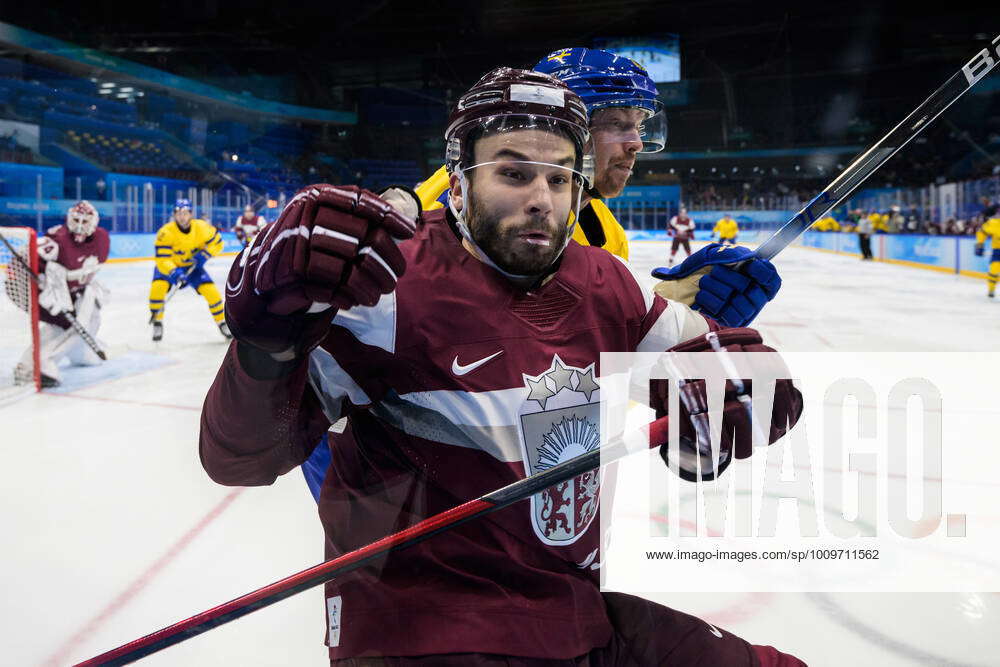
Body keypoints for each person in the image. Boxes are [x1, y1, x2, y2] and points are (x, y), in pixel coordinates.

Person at [203, 68, 805, 666]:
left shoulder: (604, 275)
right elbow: (241, 455)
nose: (541, 198)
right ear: (458, 187)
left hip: (571, 611)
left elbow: (709, 409)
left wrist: (737, 390)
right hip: (426, 627)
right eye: (514, 174)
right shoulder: (388, 287)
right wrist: (271, 340)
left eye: (559, 177)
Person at [14, 200, 109, 388]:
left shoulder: (102, 239)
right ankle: (32, 366)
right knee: (66, 322)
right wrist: (41, 281)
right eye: (76, 220)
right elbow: (20, 261)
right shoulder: (58, 240)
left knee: (90, 314)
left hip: (72, 291)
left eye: (85, 221)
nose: (80, 227)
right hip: (37, 290)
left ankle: (82, 354)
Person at [148, 199, 230, 341]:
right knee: (157, 289)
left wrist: (204, 255)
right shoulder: (165, 232)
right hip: (170, 268)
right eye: (178, 213)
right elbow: (162, 260)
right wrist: (175, 273)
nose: (182, 216)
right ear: (174, 215)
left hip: (192, 267)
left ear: (191, 214)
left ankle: (222, 322)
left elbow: (218, 243)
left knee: (212, 292)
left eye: (185, 213)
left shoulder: (202, 227)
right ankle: (157, 321)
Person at [974, 211, 1000, 297]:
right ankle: (991, 290)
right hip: (998, 251)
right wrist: (980, 243)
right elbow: (982, 232)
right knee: (994, 270)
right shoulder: (994, 223)